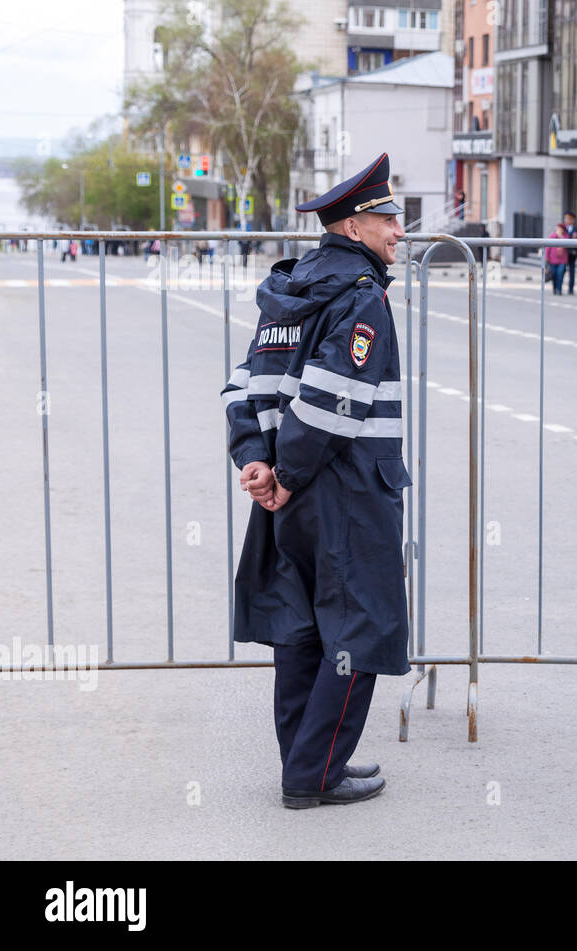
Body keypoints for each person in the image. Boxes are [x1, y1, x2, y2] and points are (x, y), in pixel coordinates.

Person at [221, 153, 410, 809]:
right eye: (391, 218)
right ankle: (315, 771)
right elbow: (332, 401)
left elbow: (241, 387)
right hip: (344, 492)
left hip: (291, 497)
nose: (400, 231)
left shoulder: (286, 294)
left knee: (299, 628)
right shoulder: (359, 298)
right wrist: (287, 476)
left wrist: (256, 461)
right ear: (356, 225)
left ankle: (304, 760)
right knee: (358, 628)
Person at [561, 211, 577, 294]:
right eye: (566, 218)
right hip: (563, 253)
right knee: (561, 270)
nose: (567, 220)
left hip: (572, 254)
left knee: (572, 271)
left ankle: (571, 289)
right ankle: (559, 287)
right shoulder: (562, 228)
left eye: (569, 219)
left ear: (573, 220)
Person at [545, 221, 570, 295]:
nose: (559, 230)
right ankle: (554, 288)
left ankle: (559, 289)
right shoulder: (552, 236)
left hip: (562, 260)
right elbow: (548, 248)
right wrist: (547, 258)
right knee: (554, 274)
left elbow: (568, 245)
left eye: (560, 229)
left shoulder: (566, 237)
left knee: (560, 274)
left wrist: (561, 237)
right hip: (552, 260)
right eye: (558, 228)